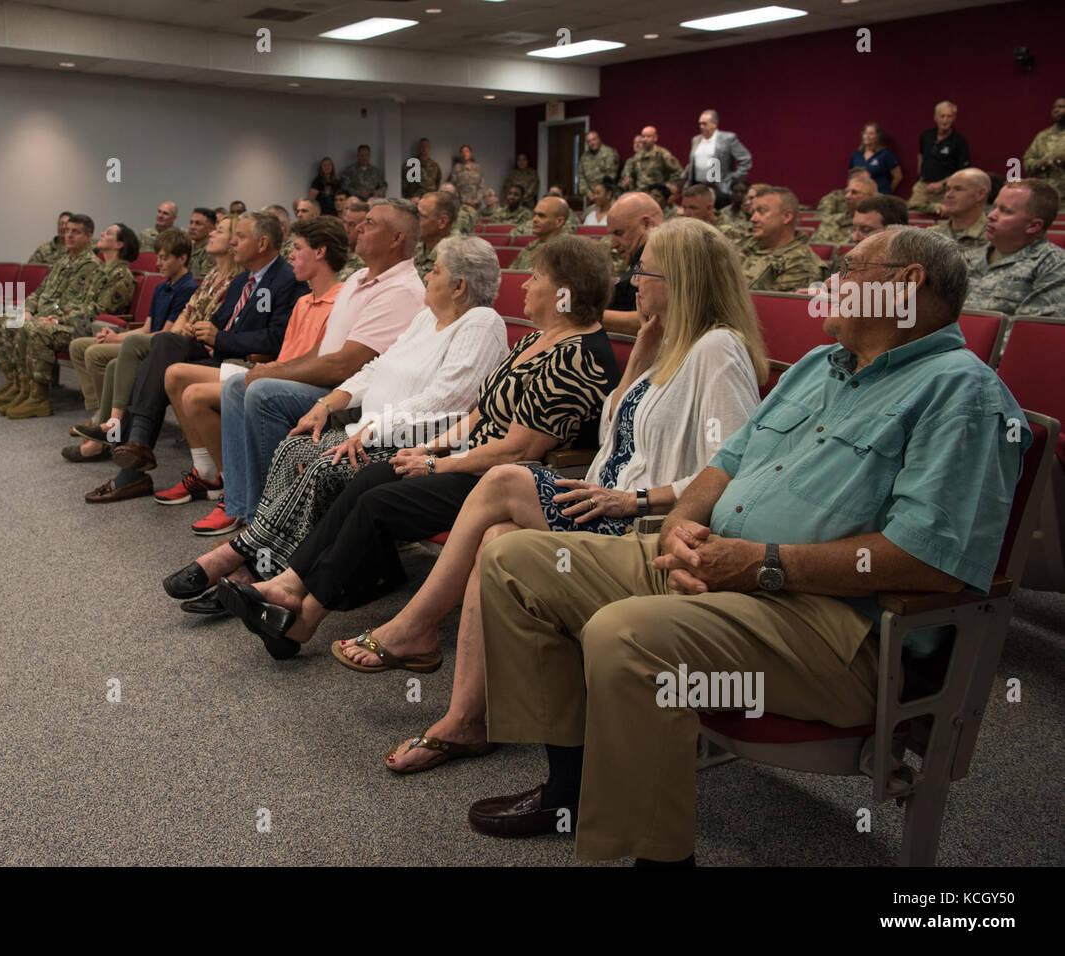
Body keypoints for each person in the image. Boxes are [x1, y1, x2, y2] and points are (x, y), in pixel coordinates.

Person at [467, 225, 1028, 863]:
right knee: (515, 560)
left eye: (849, 268)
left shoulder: (964, 395)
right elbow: (723, 467)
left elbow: (931, 562)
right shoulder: (821, 366)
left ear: (906, 285)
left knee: (627, 635)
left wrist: (762, 565)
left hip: (831, 630)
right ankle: (567, 789)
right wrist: (679, 531)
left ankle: (655, 856)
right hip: (721, 570)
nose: (829, 285)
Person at [341, 218, 768, 774]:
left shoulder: (718, 350)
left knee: (504, 479)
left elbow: (736, 471)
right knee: (496, 539)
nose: (633, 282)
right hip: (604, 501)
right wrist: (638, 361)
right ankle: (467, 719)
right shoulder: (669, 343)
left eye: (644, 271)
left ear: (680, 279)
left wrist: (638, 501)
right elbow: (625, 435)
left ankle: (415, 628)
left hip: (644, 525)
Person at [216, 234, 621, 660]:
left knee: (380, 503)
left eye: (535, 277)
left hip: (502, 483)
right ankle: (289, 584)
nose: (523, 285)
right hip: (469, 461)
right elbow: (480, 413)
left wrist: (439, 466)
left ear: (563, 294)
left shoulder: (578, 356)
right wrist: (430, 451)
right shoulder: (535, 340)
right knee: (369, 476)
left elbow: (517, 450)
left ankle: (304, 619)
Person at [164, 237, 510, 608]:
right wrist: (328, 403)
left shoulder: (481, 324)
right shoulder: (428, 318)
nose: (428, 274)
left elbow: (446, 400)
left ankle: (246, 560)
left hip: (419, 447)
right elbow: (377, 368)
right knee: (292, 446)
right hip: (370, 434)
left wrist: (372, 429)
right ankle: (258, 564)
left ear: (459, 287)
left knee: (323, 467)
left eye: (436, 270)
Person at [197, 199, 427, 534]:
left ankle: (274, 523)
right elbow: (324, 350)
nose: (360, 227)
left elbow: (343, 366)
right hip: (333, 381)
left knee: (263, 393)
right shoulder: (359, 277)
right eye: (362, 221)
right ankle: (245, 512)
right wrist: (271, 368)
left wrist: (270, 373)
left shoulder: (402, 290)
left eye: (372, 224)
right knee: (238, 385)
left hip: (355, 398)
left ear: (396, 240)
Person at [83, 212, 307, 503]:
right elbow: (221, 320)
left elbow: (276, 338)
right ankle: (138, 442)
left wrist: (220, 337)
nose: (234, 242)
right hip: (220, 351)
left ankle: (136, 446)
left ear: (262, 242)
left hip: (249, 361)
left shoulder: (286, 281)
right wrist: (200, 328)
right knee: (165, 342)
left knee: (167, 365)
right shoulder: (242, 281)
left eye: (239, 237)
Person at [150, 217, 348, 506]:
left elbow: (323, 362)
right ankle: (227, 486)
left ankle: (237, 495)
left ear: (319, 252)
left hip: (304, 384)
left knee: (204, 392)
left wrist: (267, 369)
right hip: (276, 371)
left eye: (298, 248)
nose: (290, 254)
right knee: (177, 375)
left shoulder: (341, 300)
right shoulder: (302, 301)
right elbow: (285, 353)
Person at [66, 224, 224, 462]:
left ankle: (109, 423)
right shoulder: (161, 288)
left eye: (164, 258)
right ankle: (103, 420)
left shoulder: (188, 288)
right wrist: (116, 336)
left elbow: (165, 334)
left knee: (105, 356)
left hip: (170, 346)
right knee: (105, 361)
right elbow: (148, 327)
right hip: (154, 340)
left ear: (182, 259)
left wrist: (121, 339)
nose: (157, 264)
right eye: (157, 257)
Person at [6, 222, 140, 420]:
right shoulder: (101, 270)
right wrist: (57, 318)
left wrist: (58, 320)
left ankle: (39, 399)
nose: (102, 234)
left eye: (109, 233)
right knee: (29, 325)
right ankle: (24, 389)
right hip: (76, 323)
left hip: (91, 331)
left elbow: (95, 313)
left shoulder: (120, 275)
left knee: (39, 330)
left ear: (120, 244)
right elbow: (79, 305)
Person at [0, 214, 98, 409]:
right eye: (67, 230)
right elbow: (40, 291)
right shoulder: (62, 261)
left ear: (88, 236)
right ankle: (16, 384)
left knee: (28, 328)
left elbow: (83, 306)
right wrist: (27, 310)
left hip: (62, 323)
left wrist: (53, 318)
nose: (68, 235)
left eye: (75, 232)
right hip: (39, 315)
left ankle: (37, 397)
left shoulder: (91, 266)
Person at [963, 179, 1065, 317]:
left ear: (1033, 226)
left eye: (1005, 211)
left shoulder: (1055, 266)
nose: (991, 215)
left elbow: (1029, 330)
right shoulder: (968, 259)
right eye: (995, 207)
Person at [743, 187, 828, 291]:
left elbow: (769, 305)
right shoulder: (745, 243)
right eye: (753, 212)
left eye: (761, 211)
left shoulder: (801, 264)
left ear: (787, 217)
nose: (753, 219)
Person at [604, 193, 663, 335]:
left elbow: (654, 319)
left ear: (647, 224)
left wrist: (581, 316)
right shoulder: (640, 259)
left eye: (619, 233)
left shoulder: (667, 258)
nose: (613, 244)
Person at [908, 101, 970, 213]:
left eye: (949, 116)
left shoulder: (960, 141)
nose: (945, 120)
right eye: (942, 116)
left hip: (945, 189)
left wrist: (942, 184)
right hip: (923, 185)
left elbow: (962, 171)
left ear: (954, 118)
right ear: (935, 117)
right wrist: (920, 175)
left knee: (945, 212)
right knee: (912, 208)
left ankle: (936, 207)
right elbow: (920, 156)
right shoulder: (926, 135)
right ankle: (933, 207)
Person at [682, 110, 752, 207]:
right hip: (697, 185)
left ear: (714, 124)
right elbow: (693, 162)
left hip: (718, 187)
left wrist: (734, 178)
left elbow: (745, 158)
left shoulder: (727, 139)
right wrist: (684, 177)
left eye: (704, 124)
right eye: (700, 124)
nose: (701, 126)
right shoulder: (696, 140)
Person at [928, 168, 991, 248]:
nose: (949, 195)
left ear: (980, 194)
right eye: (947, 189)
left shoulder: (994, 238)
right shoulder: (932, 235)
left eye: (958, 189)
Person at [811, 171, 877, 245]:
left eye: (854, 192)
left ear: (870, 197)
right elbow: (818, 248)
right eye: (847, 192)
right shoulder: (831, 221)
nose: (847, 196)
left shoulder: (876, 225)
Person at [510, 197, 571, 273]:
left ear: (559, 221)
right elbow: (513, 274)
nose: (535, 219)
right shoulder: (530, 247)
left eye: (541, 216)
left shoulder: (568, 252)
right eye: (534, 214)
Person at [1024, 97, 1065, 202]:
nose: (1056, 110)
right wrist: (1040, 164)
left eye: (1061, 107)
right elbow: (1027, 160)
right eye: (1054, 107)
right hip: (1047, 197)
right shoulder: (1043, 136)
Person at [681, 183, 747, 245]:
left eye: (693, 208)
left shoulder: (727, 232)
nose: (687, 213)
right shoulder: (683, 228)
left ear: (709, 208)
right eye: (684, 208)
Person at [619, 126, 681, 192]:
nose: (645, 139)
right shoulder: (637, 156)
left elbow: (678, 173)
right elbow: (630, 176)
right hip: (640, 193)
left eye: (648, 136)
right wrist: (628, 183)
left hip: (656, 195)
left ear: (655, 138)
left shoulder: (662, 154)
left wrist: (667, 187)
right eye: (643, 136)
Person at [413, 190, 458, 279]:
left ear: (442, 221)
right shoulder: (415, 246)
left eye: (421, 217)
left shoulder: (458, 254)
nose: (414, 221)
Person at [850, 122, 902, 195]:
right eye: (865, 133)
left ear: (878, 136)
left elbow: (898, 177)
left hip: (879, 196)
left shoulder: (885, 154)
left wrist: (886, 193)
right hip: (860, 197)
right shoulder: (856, 155)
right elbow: (852, 177)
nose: (867, 136)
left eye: (871, 134)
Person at [577, 131, 620, 201]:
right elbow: (581, 177)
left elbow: (611, 176)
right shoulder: (584, 157)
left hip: (608, 196)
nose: (592, 143)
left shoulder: (609, 153)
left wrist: (599, 193)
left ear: (599, 139)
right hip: (591, 197)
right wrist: (588, 193)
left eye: (594, 139)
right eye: (589, 141)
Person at [338, 200, 368, 281]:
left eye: (352, 225)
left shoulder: (367, 260)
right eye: (345, 223)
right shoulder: (339, 251)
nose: (346, 229)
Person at [187, 207, 218, 279]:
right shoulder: (188, 247)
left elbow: (202, 281)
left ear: (211, 228)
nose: (192, 227)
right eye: (191, 222)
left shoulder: (211, 251)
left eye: (198, 223)